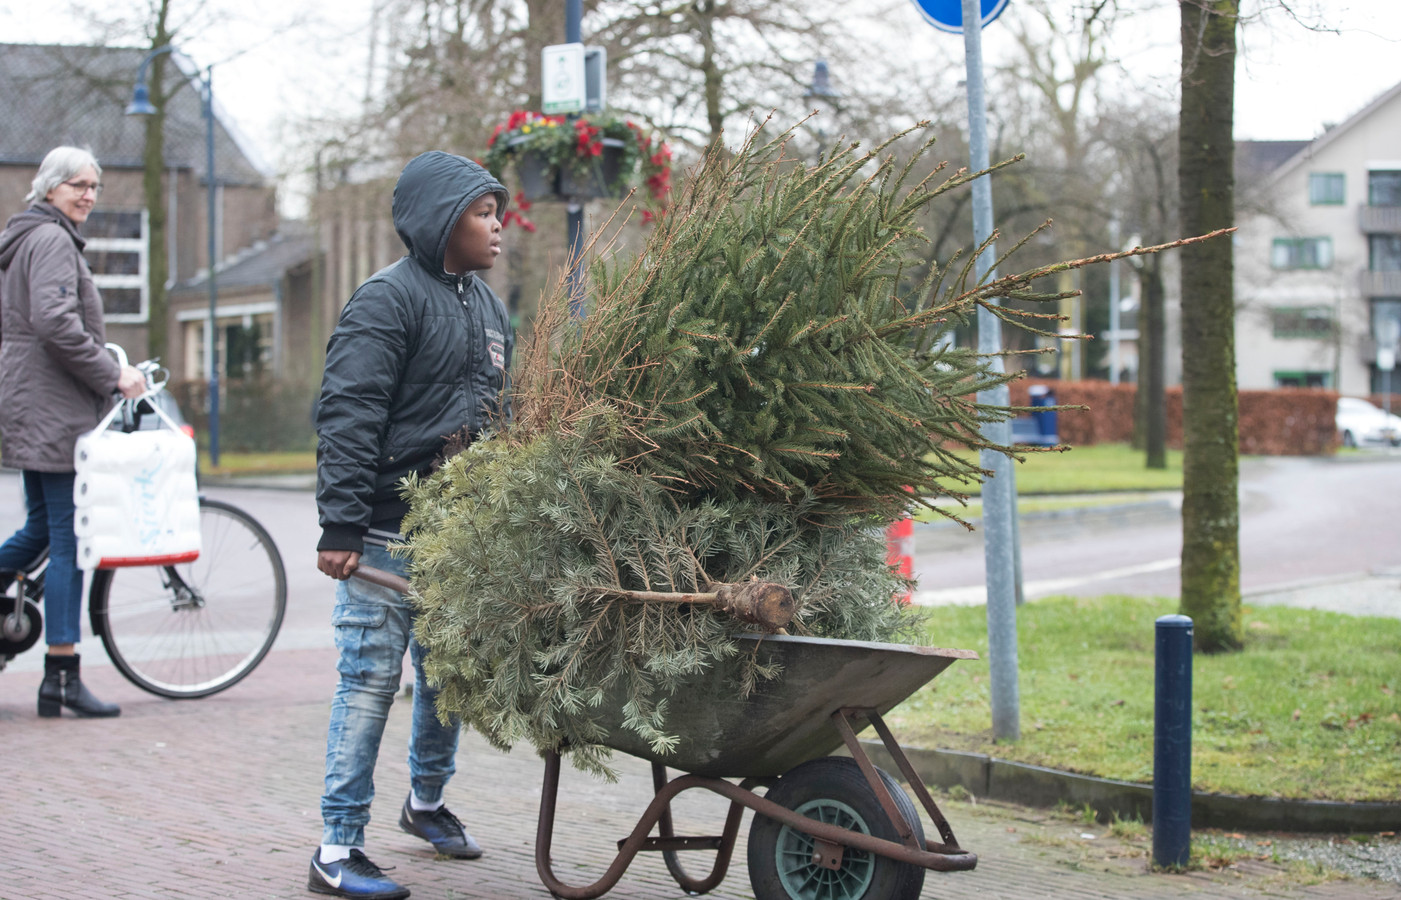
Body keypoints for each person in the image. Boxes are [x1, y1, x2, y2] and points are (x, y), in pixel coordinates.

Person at [308, 150, 511, 900]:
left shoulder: (487, 307)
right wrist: (342, 528)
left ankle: (425, 804)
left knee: (447, 679)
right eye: (482, 214)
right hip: (386, 535)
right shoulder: (384, 301)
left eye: (497, 213)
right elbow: (348, 413)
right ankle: (335, 848)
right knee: (366, 684)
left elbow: (499, 416)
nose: (496, 229)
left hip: (456, 536)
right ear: (440, 220)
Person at [0, 146, 146, 718]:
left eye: (93, 186)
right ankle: (61, 675)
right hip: (54, 408)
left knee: (42, 525)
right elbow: (56, 324)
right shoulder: (53, 240)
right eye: (76, 185)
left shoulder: (24, 236)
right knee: (71, 541)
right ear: (50, 188)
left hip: (30, 400)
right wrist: (114, 375)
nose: (87, 195)